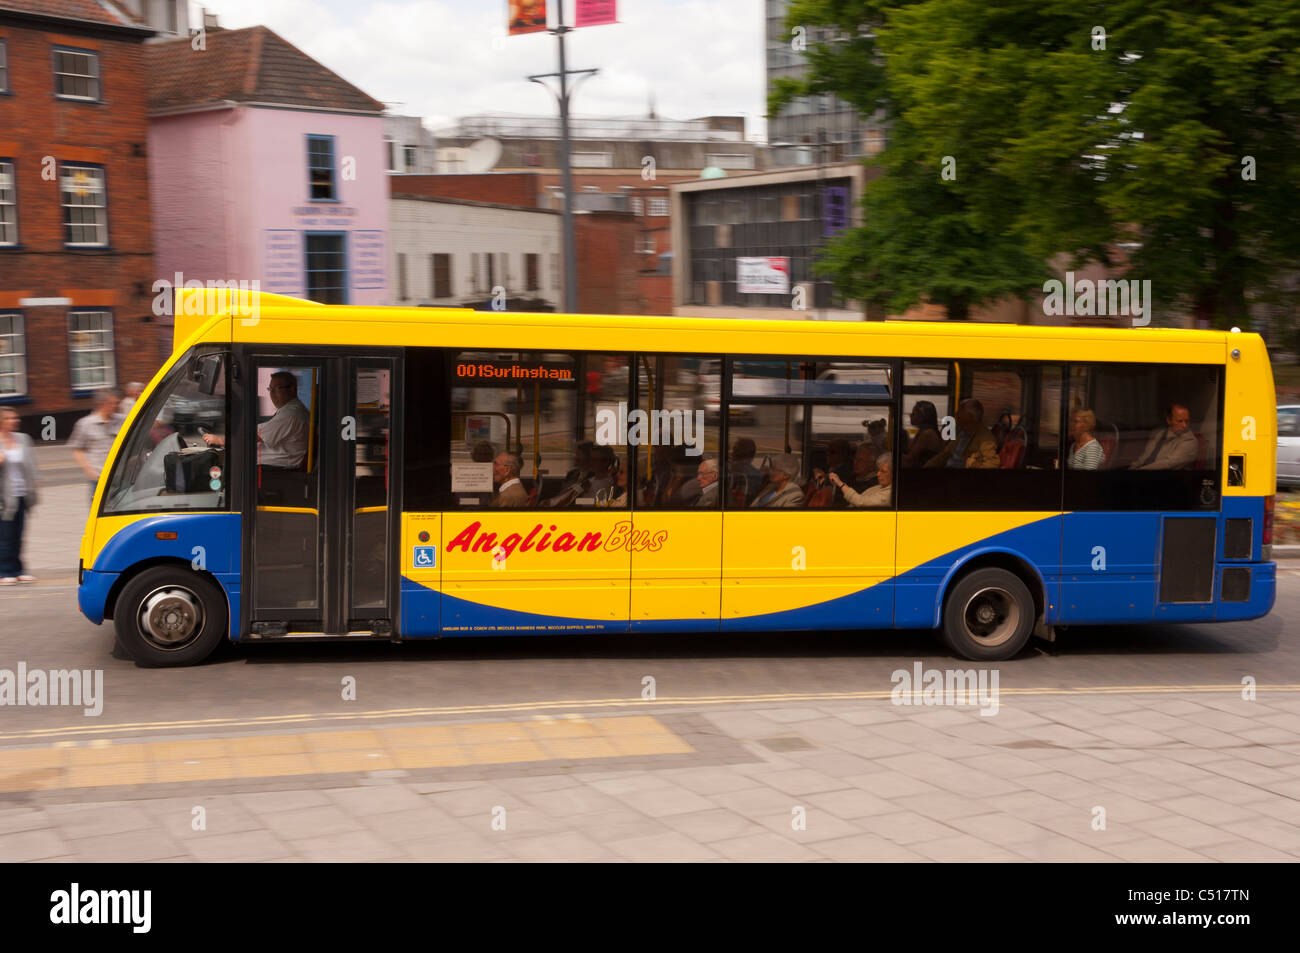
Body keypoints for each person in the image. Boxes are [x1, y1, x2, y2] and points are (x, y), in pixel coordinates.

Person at [203, 371, 308, 468]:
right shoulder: (288, 410)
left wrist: (221, 440)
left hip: (274, 470)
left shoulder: (292, 413)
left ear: (292, 389)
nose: (272, 394)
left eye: (277, 388)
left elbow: (257, 436)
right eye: (270, 389)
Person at [0, 407, 39, 584]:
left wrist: (35, 481)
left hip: (22, 494)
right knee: (6, 536)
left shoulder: (23, 439)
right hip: (3, 498)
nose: (14, 421)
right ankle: (5, 571)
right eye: (9, 418)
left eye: (15, 418)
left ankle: (19, 569)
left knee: (19, 534)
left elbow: (32, 464)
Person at [68, 389, 123, 501]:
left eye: (117, 402)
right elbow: (77, 449)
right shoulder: (85, 423)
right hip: (99, 479)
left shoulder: (122, 420)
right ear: (101, 404)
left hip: (121, 478)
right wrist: (89, 470)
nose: (116, 406)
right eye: (112, 403)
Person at [925, 398, 999, 469]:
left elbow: (991, 466)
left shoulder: (986, 440)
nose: (961, 425)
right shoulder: (962, 431)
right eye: (960, 421)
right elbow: (945, 454)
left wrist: (971, 463)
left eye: (965, 423)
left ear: (974, 420)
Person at [1130, 403, 1197, 470]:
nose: (1184, 425)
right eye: (1180, 421)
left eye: (1186, 421)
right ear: (1169, 420)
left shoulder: (1190, 441)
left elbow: (1168, 463)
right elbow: (1143, 458)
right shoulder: (1159, 434)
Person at [828, 452, 893, 507]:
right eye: (878, 470)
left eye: (883, 471)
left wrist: (839, 483)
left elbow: (860, 501)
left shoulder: (890, 495)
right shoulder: (878, 487)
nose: (878, 474)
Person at [902, 401, 943, 468]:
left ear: (922, 416)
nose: (910, 415)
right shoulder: (924, 431)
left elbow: (909, 458)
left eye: (913, 413)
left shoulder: (927, 434)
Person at [728, 436, 763, 504]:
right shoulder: (757, 474)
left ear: (735, 453)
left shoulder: (731, 470)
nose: (731, 453)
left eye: (734, 449)